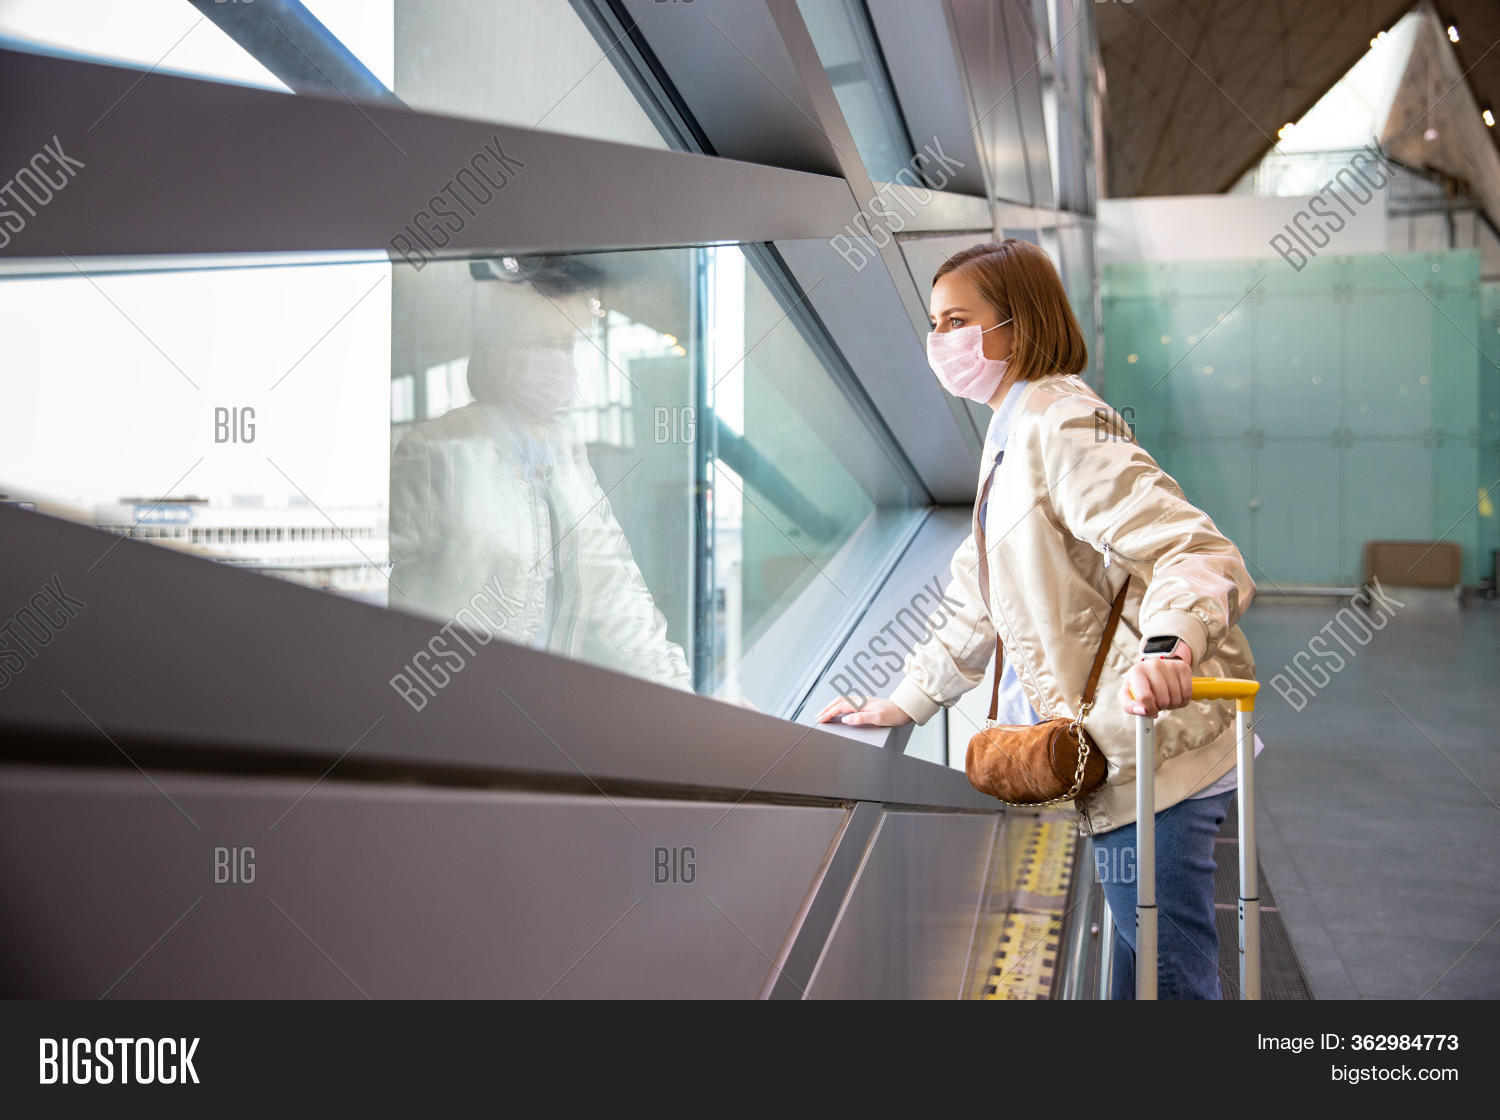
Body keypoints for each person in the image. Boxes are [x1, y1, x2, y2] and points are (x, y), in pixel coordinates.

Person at [816, 239, 1262, 999]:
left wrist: (1169, 647)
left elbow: (1194, 547)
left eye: (958, 320)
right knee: (1142, 957)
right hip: (1124, 754)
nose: (939, 342)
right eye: (933, 322)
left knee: (1170, 970)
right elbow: (978, 595)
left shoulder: (1063, 423)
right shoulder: (1012, 433)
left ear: (1017, 328)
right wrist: (905, 701)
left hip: (1154, 755)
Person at [388, 266, 690, 692]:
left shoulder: (564, 451)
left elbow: (615, 585)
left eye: (567, 346)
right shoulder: (438, 451)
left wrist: (677, 694)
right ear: (498, 350)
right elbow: (373, 591)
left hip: (535, 710)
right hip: (449, 715)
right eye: (543, 344)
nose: (560, 362)